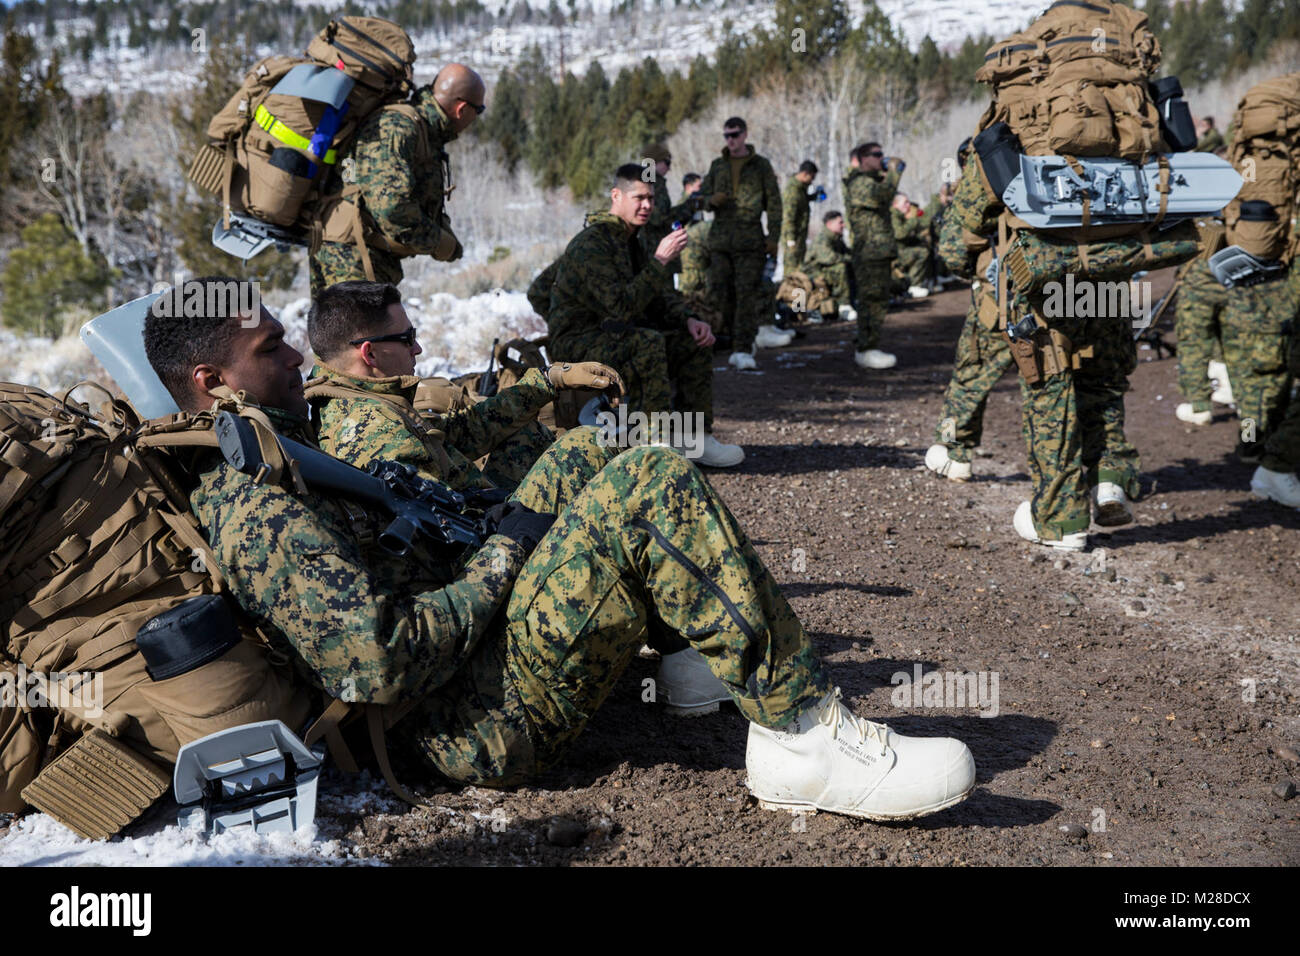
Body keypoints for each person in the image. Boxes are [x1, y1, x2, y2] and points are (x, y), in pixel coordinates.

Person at [140, 276, 978, 821]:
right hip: (468, 725)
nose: (294, 357)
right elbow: (378, 664)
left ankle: (700, 656)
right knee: (646, 483)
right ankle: (803, 738)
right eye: (269, 350)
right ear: (212, 383)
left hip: (479, 653)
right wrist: (506, 554)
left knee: (588, 451)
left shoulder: (293, 439)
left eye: (288, 339)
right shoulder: (253, 500)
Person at [304, 280, 619, 493]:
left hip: (484, 519)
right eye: (407, 339)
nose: (418, 349)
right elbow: (452, 532)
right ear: (369, 353)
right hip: (486, 550)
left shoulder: (349, 396)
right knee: (585, 446)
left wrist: (547, 380)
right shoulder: (377, 431)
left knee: (523, 432)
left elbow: (459, 432)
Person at [545, 163, 744, 468]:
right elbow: (622, 305)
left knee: (689, 341)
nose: (647, 205)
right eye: (639, 198)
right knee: (646, 342)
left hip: (610, 333)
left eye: (651, 198)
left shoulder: (632, 242)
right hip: (575, 343)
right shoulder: (593, 243)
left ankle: (695, 437)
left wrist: (688, 319)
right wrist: (661, 260)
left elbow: (658, 297)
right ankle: (654, 444)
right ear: (616, 196)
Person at [309, 63, 486, 295]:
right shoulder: (399, 127)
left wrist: (439, 227)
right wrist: (438, 242)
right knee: (360, 332)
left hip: (361, 254)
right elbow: (391, 208)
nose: (476, 118)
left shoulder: (423, 131)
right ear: (462, 109)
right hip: (350, 258)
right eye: (478, 110)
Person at [696, 117, 783, 370]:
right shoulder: (717, 166)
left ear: (745, 134)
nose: (731, 140)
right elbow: (700, 200)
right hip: (721, 240)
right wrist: (712, 200)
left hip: (750, 240)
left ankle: (743, 348)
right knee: (721, 293)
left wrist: (774, 238)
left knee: (747, 295)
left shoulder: (760, 166)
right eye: (726, 136)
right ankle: (733, 340)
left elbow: (774, 205)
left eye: (735, 135)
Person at [844, 143, 902, 370]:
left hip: (878, 251)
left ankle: (868, 345)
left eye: (882, 155)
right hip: (869, 252)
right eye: (876, 155)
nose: (881, 159)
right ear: (862, 159)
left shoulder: (872, 180)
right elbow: (883, 196)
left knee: (877, 301)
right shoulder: (859, 183)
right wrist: (894, 173)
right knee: (871, 302)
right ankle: (867, 348)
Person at [639, 143, 697, 281]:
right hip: (655, 252)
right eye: (667, 162)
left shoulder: (651, 180)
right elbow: (658, 218)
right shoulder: (651, 183)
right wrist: (689, 206)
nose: (669, 168)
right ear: (655, 162)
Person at [804, 210, 856, 322]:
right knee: (840, 268)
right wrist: (850, 259)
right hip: (814, 274)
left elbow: (847, 254)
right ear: (829, 224)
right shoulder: (822, 238)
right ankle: (844, 306)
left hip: (824, 271)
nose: (843, 225)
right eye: (840, 223)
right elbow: (830, 258)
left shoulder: (836, 238)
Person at [891, 193, 932, 299]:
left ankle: (915, 283)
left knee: (924, 246)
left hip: (900, 251)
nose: (908, 205)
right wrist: (912, 220)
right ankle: (914, 285)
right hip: (895, 254)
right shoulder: (893, 215)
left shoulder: (899, 215)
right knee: (922, 252)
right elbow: (900, 234)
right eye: (905, 203)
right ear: (895, 204)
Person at [781, 160, 818, 269]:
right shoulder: (793, 191)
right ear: (804, 174)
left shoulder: (800, 189)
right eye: (812, 177)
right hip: (793, 237)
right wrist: (790, 239)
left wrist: (813, 197)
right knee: (792, 269)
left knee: (799, 267)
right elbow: (788, 216)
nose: (812, 181)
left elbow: (801, 202)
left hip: (799, 236)